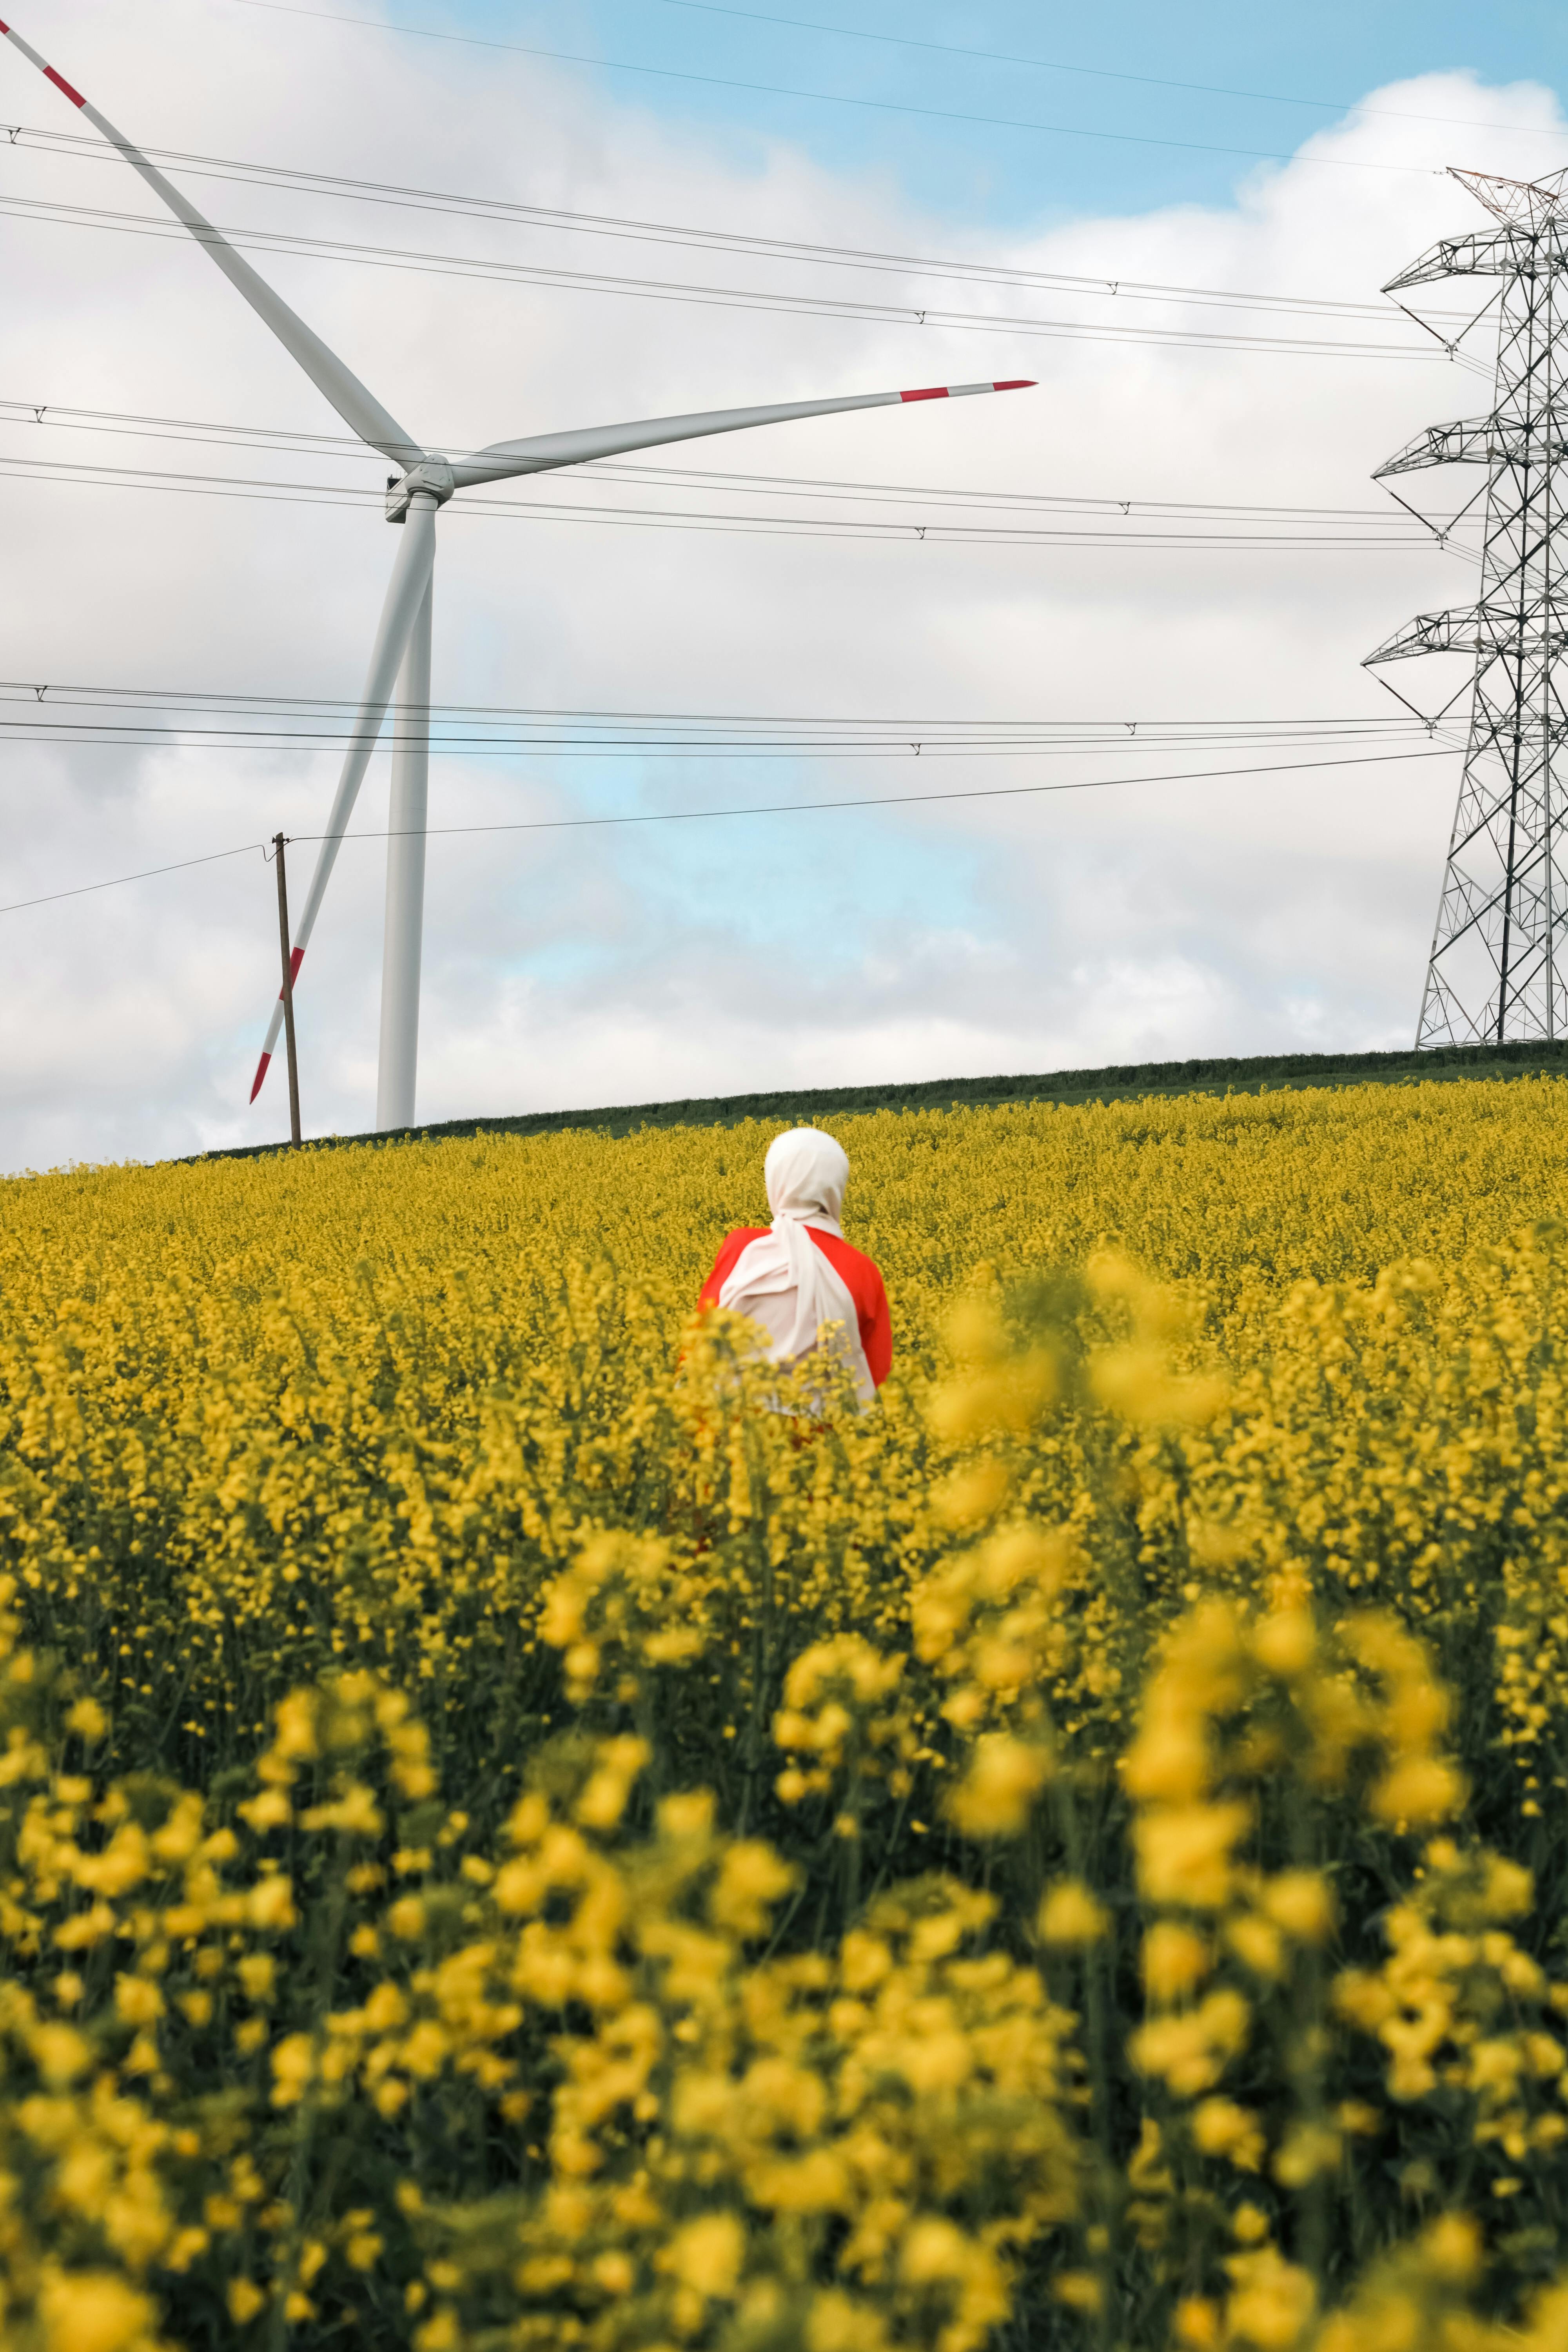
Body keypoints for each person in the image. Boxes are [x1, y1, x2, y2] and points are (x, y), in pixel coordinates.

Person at [696, 1126, 892, 1407]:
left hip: (737, 1433)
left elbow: (700, 1345)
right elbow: (877, 1377)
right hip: (829, 1440)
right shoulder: (862, 1269)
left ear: (775, 1180)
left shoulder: (743, 1248)